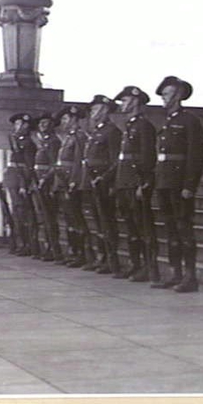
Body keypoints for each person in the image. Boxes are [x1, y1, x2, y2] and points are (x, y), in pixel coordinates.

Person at [152, 76, 203, 292]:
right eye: (163, 94)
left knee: (184, 229)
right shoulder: (167, 121)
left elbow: (196, 155)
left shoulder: (189, 121)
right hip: (165, 182)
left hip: (179, 183)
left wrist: (189, 186)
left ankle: (190, 277)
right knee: (171, 229)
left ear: (179, 95)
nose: (164, 98)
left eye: (167, 94)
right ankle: (176, 273)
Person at [113, 86, 158, 283]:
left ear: (134, 101)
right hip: (125, 181)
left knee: (143, 226)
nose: (123, 104)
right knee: (131, 227)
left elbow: (148, 157)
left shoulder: (144, 126)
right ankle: (136, 264)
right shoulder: (130, 126)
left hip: (136, 182)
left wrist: (144, 182)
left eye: (125, 101)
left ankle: (150, 268)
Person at [80, 95, 123, 277]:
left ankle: (112, 260)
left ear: (105, 111)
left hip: (104, 184)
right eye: (92, 110)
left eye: (95, 109)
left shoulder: (112, 132)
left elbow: (115, 162)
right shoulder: (96, 132)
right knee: (98, 221)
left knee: (107, 222)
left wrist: (105, 179)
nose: (92, 113)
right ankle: (102, 257)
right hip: (92, 182)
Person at [51, 105, 92, 268]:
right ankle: (74, 252)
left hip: (71, 183)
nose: (63, 122)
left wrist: (74, 182)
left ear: (74, 119)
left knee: (76, 218)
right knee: (69, 219)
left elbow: (78, 162)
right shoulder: (68, 137)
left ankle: (83, 254)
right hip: (63, 182)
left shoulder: (80, 136)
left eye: (66, 119)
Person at [3, 112, 39, 257]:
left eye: (20, 124)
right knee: (15, 213)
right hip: (13, 180)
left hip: (21, 181)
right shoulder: (16, 142)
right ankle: (18, 243)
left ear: (27, 127)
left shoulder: (28, 144)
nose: (17, 127)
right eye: (16, 124)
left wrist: (25, 184)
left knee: (22, 213)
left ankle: (26, 244)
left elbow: (28, 166)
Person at [32, 112, 62, 262]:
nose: (43, 125)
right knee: (43, 216)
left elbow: (54, 164)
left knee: (49, 216)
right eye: (41, 123)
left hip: (47, 183)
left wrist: (44, 179)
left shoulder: (54, 142)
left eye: (47, 123)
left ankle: (54, 248)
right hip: (38, 181)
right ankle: (47, 246)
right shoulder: (42, 141)